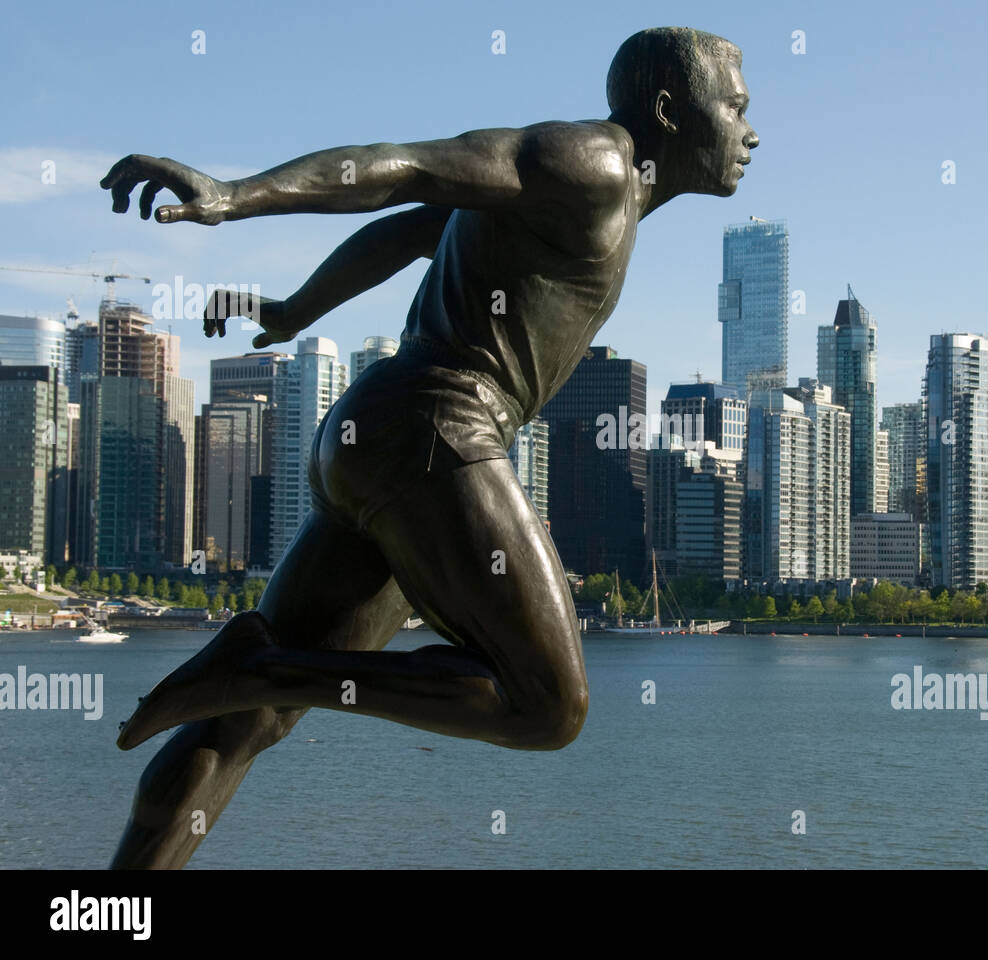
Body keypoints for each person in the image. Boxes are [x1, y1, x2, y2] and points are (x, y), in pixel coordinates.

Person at [100, 26, 758, 868]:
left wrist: (297, 311)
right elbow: (407, 164)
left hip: (382, 443)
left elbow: (417, 227)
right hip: (435, 430)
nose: (749, 131)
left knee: (235, 731)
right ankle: (265, 666)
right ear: (671, 110)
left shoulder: (602, 197)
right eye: (735, 107)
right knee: (549, 706)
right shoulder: (592, 163)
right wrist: (233, 197)